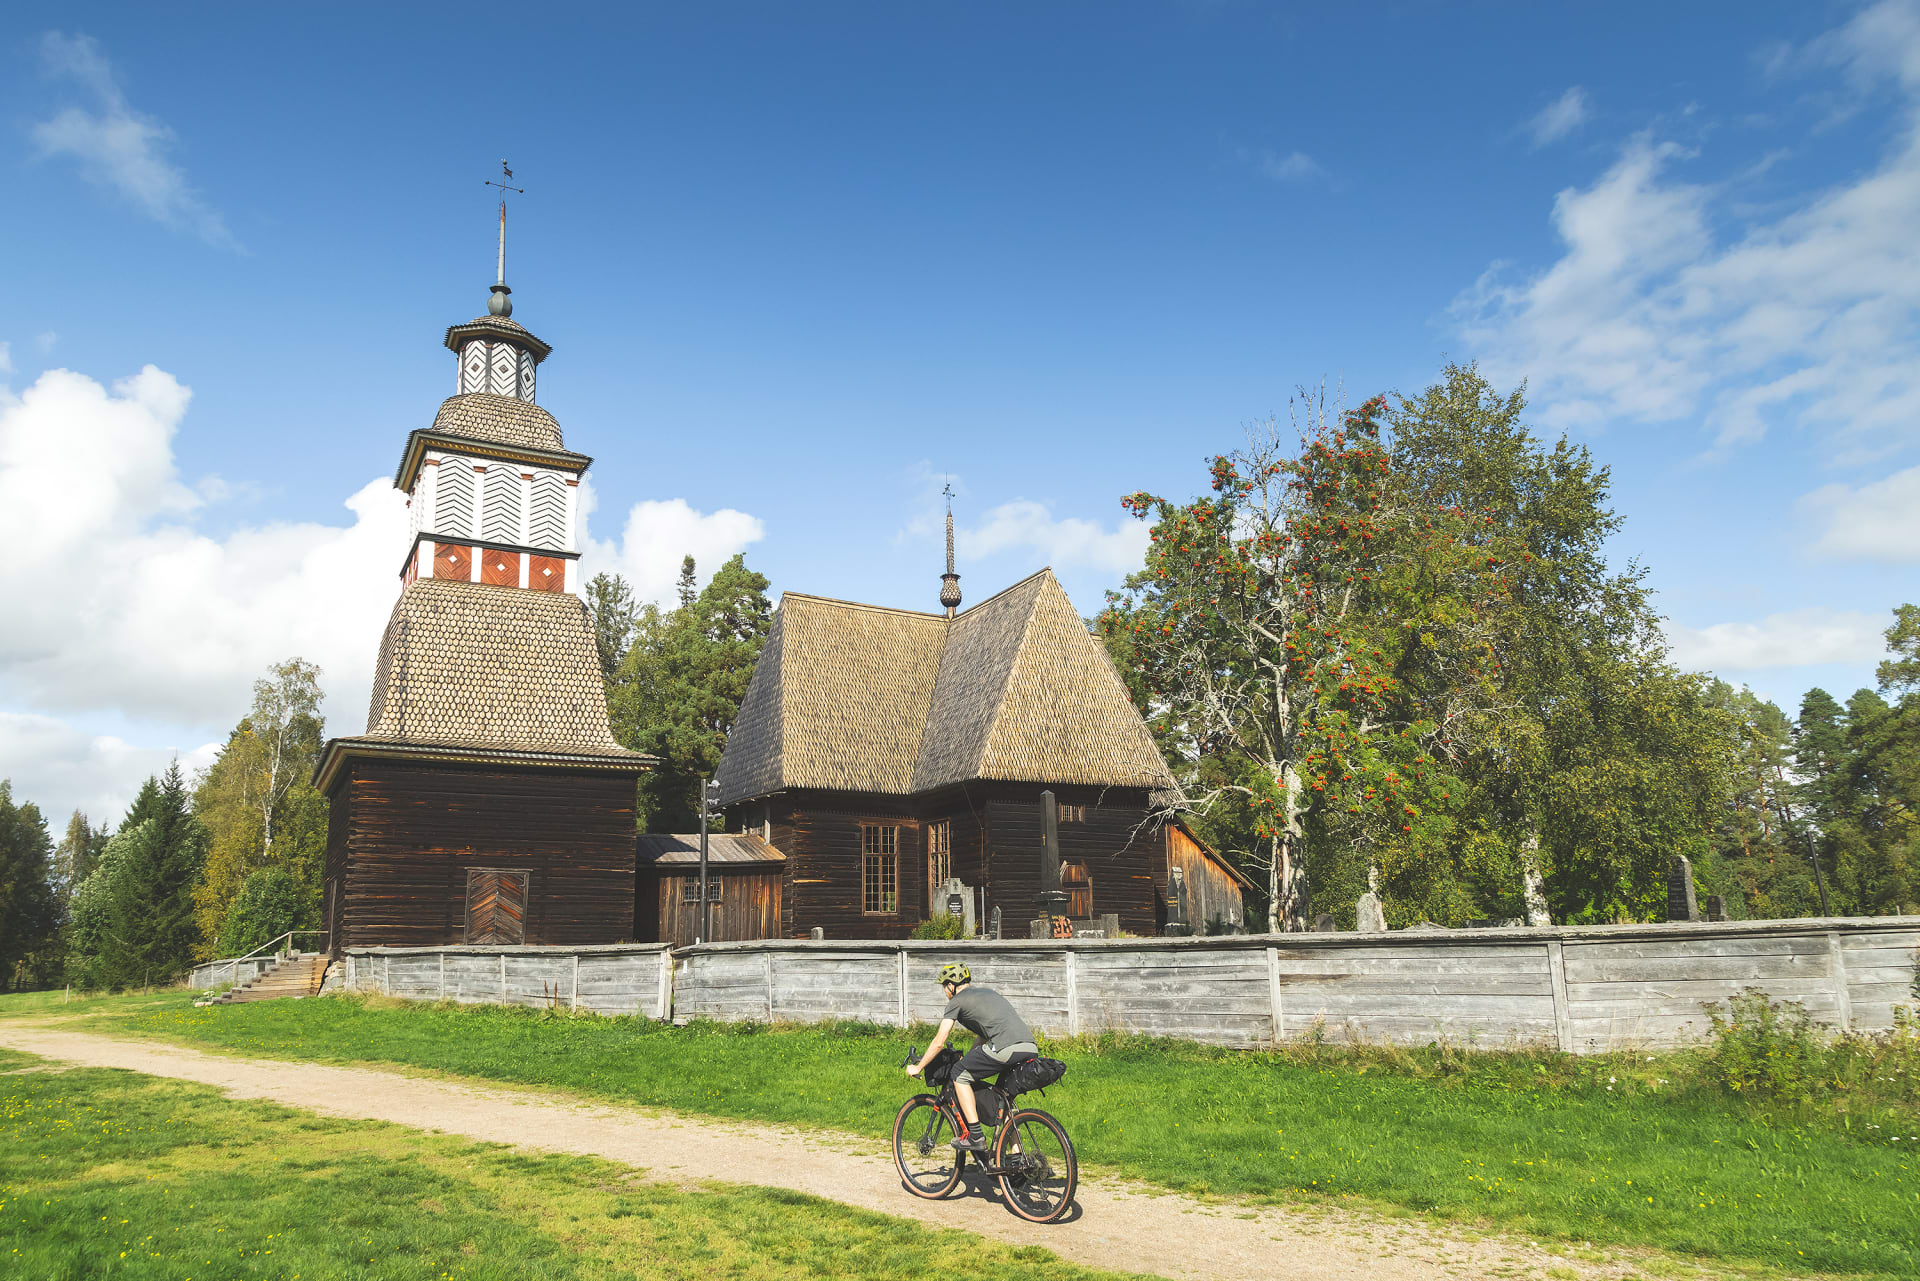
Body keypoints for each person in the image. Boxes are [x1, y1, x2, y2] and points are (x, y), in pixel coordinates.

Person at [905, 962, 1038, 1151]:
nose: (944, 991)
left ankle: (976, 1136)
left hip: (1004, 1047)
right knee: (1003, 1101)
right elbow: (984, 1034)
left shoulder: (956, 1002)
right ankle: (1018, 1158)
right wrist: (968, 1058)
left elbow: (939, 1041)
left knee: (959, 1073)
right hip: (1029, 1047)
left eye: (944, 986)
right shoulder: (988, 994)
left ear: (951, 985)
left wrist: (918, 1067)